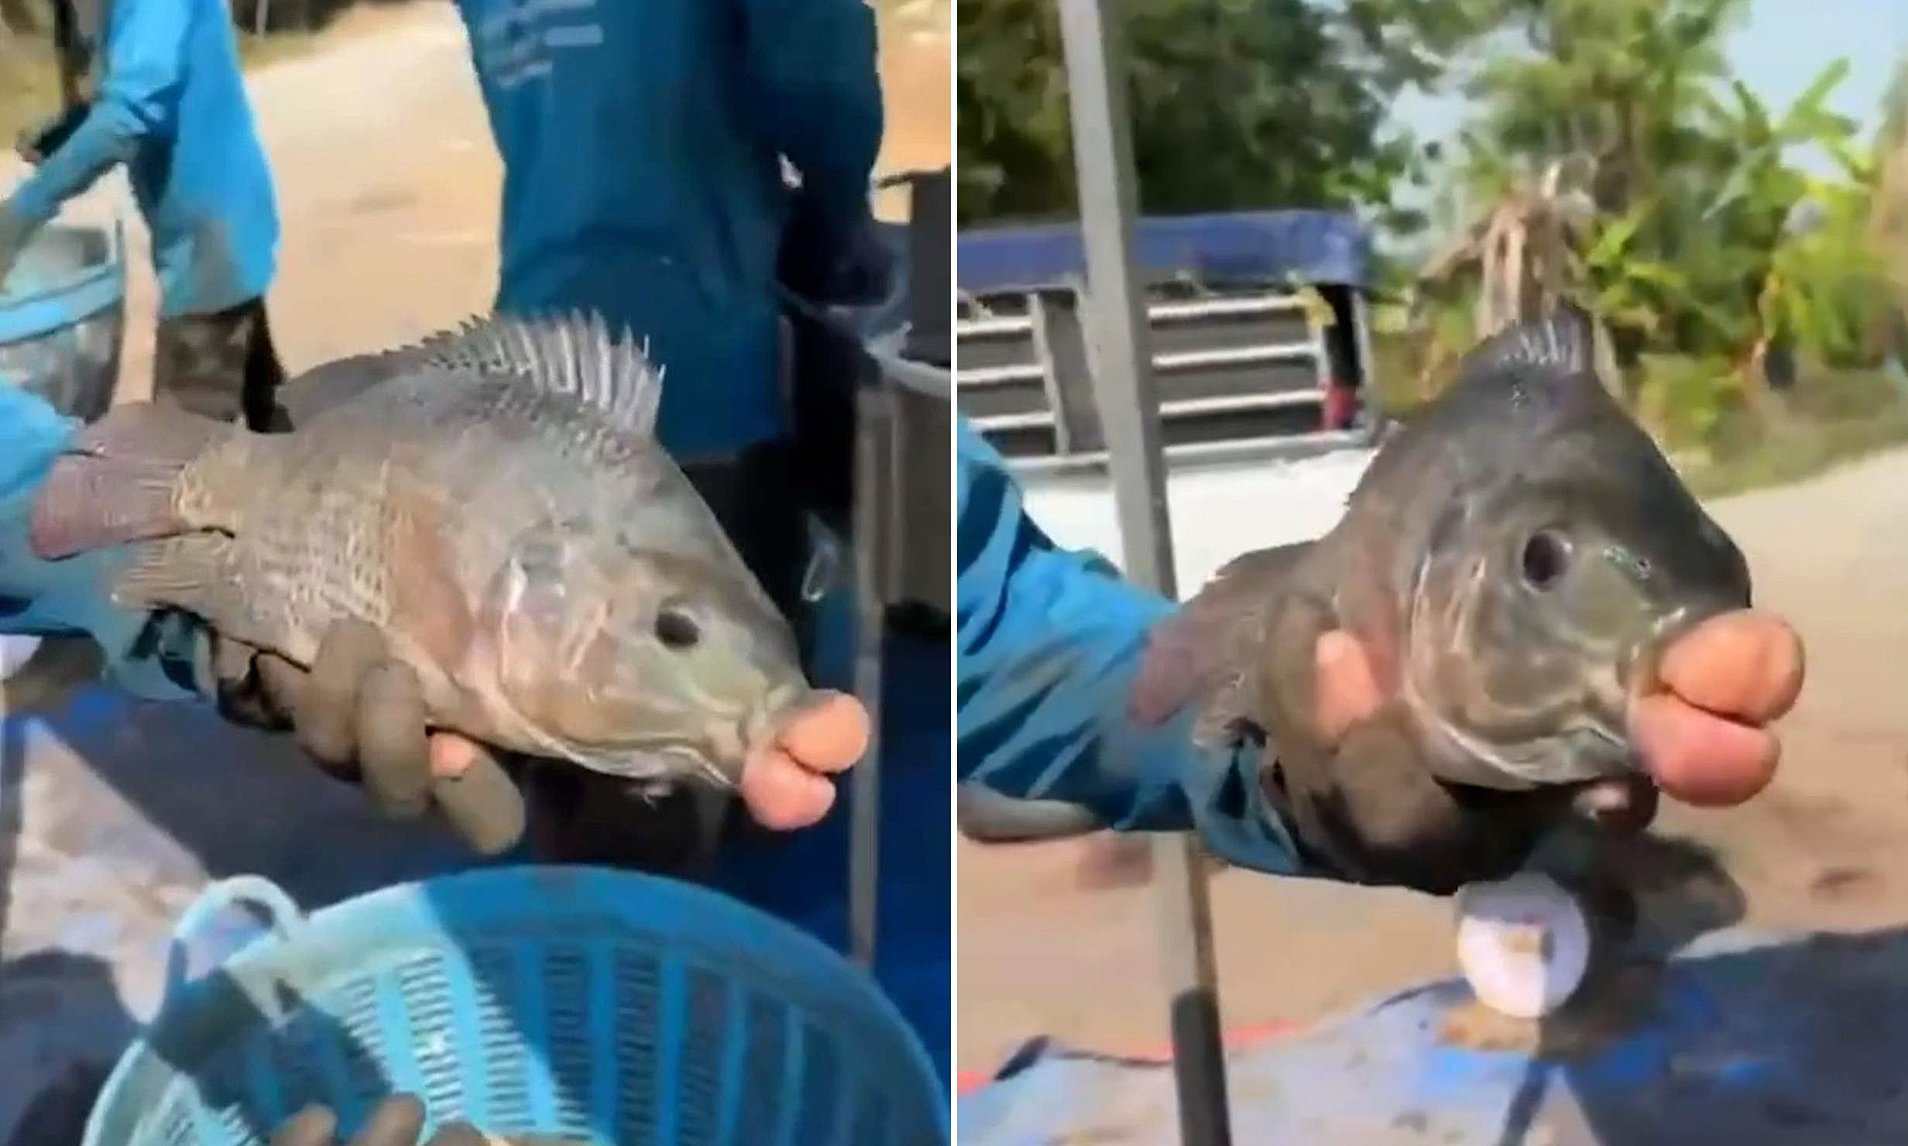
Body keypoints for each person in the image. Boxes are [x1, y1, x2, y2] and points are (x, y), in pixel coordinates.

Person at [2, 0, 286, 433]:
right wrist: (70, 133)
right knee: (268, 402)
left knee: (172, 447)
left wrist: (26, 208)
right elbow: (137, 84)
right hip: (220, 227)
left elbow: (133, 110)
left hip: (211, 234)